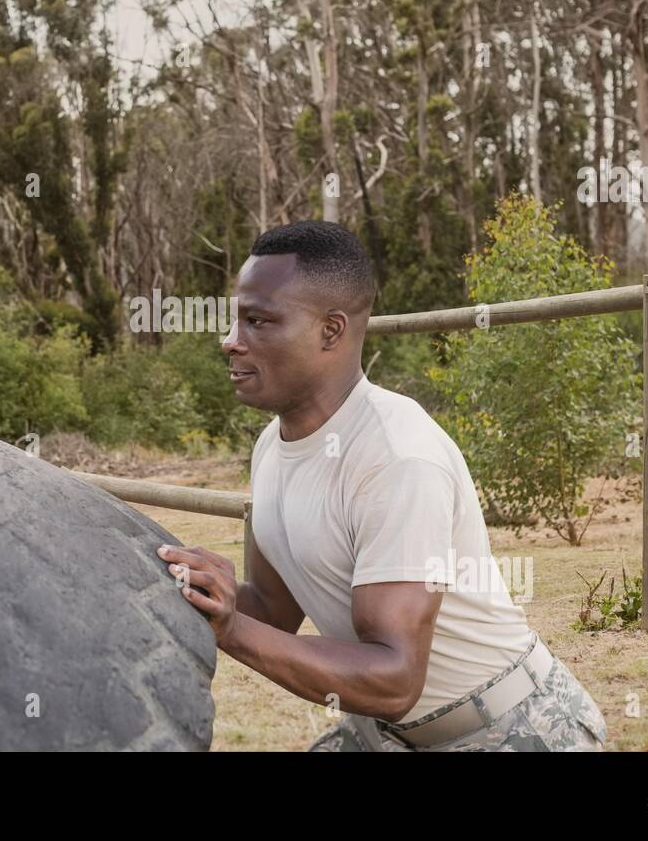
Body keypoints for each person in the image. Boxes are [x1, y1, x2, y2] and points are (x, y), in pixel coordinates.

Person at [156, 220, 608, 751]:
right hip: (385, 733)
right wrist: (189, 589)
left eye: (259, 321)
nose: (231, 341)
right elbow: (274, 611)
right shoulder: (270, 448)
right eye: (237, 320)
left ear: (331, 331)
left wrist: (231, 629)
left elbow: (394, 677)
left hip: (509, 730)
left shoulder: (397, 457)